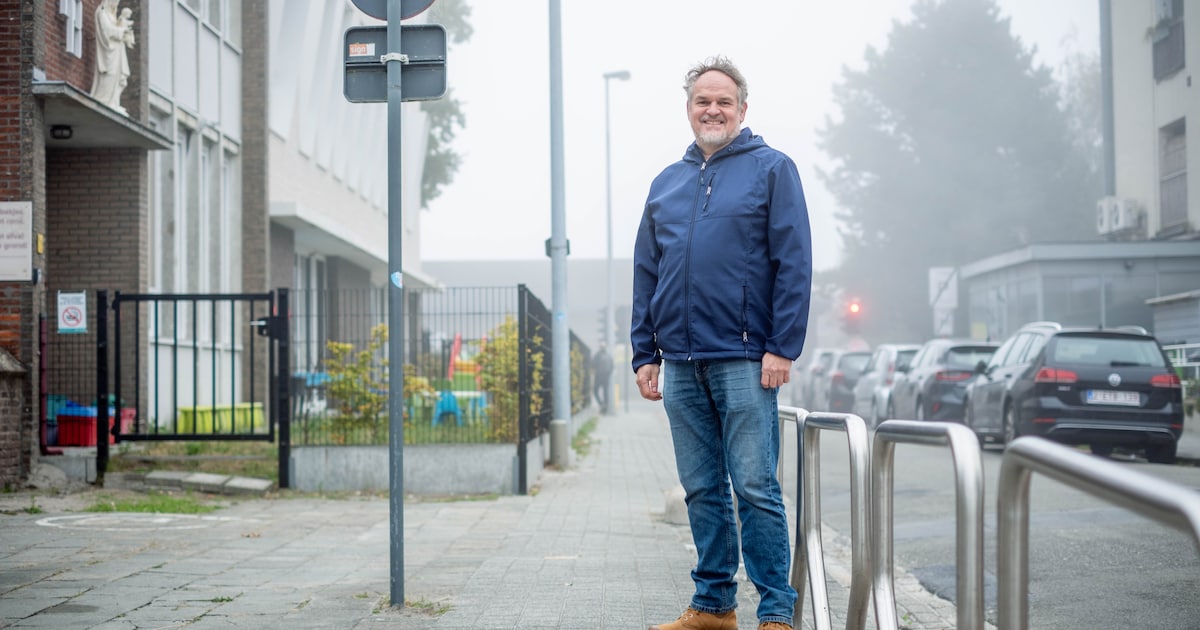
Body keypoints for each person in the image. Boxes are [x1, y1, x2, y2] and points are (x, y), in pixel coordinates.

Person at [631, 56, 812, 630]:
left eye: (723, 101)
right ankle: (713, 607)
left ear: (742, 109)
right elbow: (646, 271)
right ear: (688, 109)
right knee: (702, 488)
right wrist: (644, 352)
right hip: (681, 362)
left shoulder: (772, 169)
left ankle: (777, 612)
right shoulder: (666, 183)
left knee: (755, 487)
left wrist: (782, 345)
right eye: (702, 101)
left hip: (745, 359)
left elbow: (794, 263)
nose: (713, 109)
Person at [91, 0, 135, 116]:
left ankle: (114, 102)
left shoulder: (113, 15)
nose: (116, 4)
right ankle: (104, 100)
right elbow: (107, 30)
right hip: (108, 53)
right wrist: (122, 31)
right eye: (114, 1)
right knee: (110, 74)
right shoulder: (102, 12)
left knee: (118, 77)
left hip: (117, 51)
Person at [591, 344, 613, 414]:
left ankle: (601, 404)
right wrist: (608, 374)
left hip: (598, 376)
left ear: (600, 348)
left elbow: (593, 364)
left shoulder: (598, 355)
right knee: (605, 392)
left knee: (595, 391)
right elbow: (612, 367)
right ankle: (605, 408)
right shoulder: (609, 356)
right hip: (606, 377)